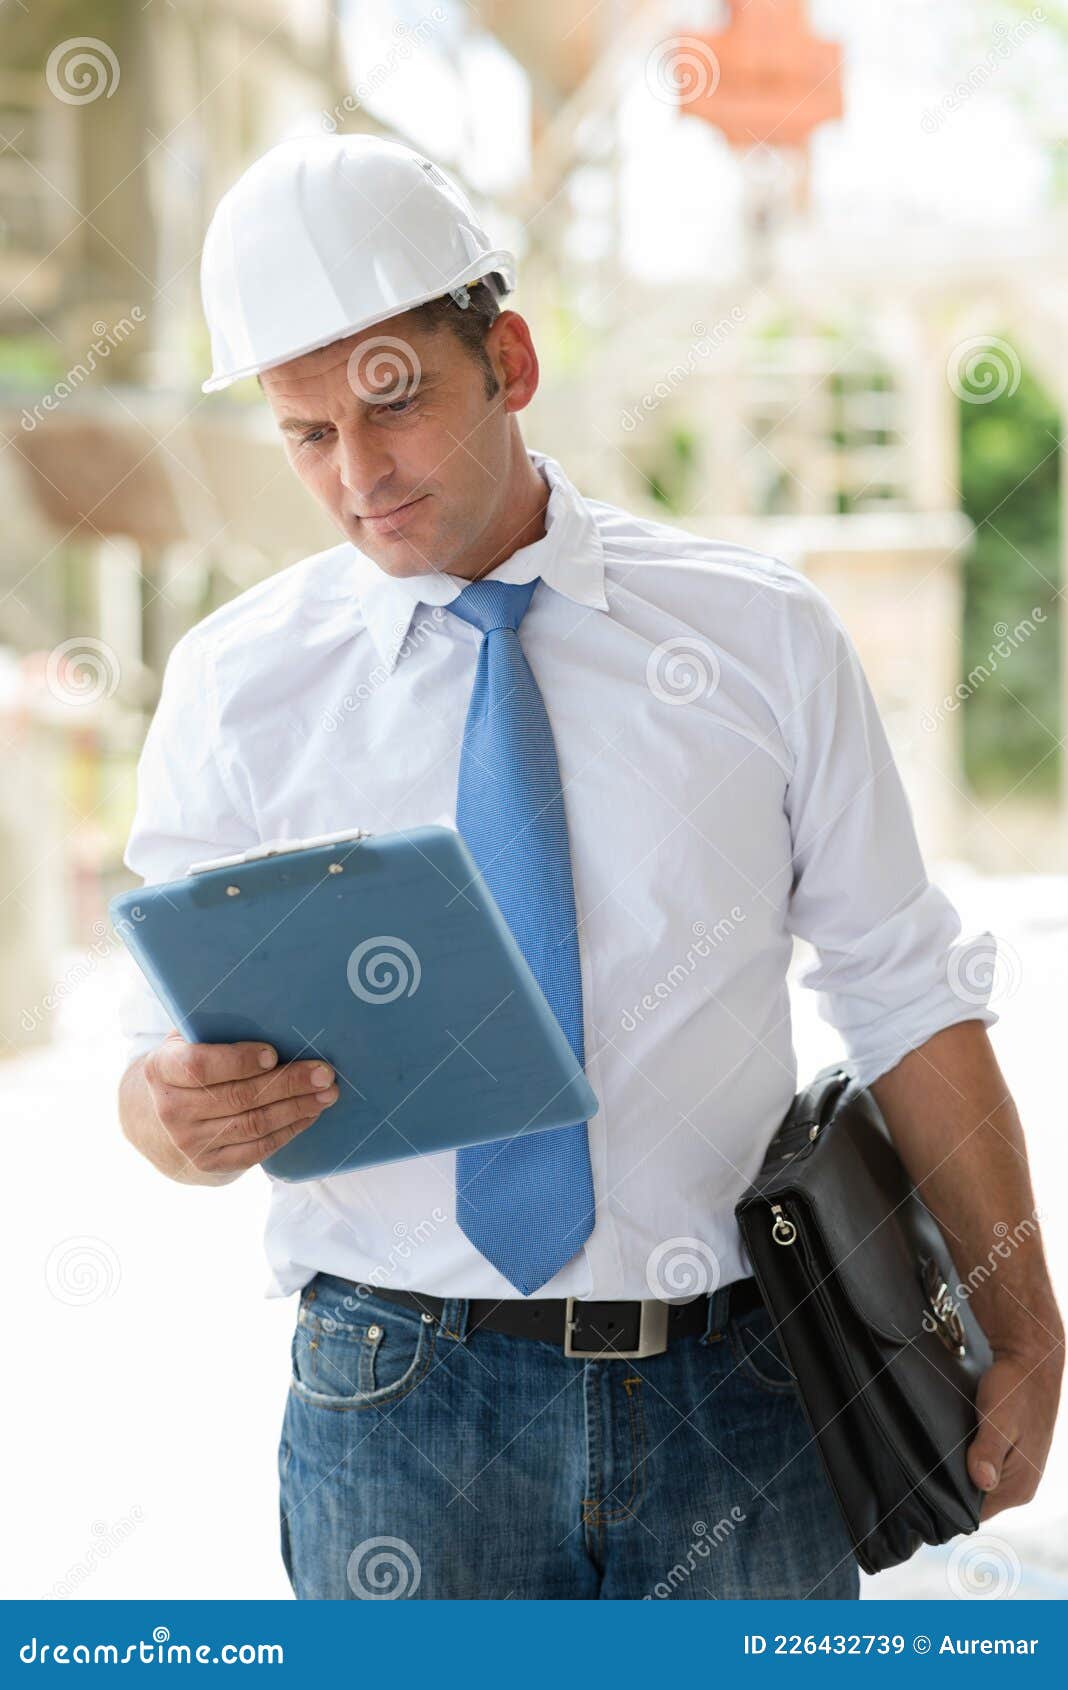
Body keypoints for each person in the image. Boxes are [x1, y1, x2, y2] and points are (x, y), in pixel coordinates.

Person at [117, 134, 1063, 1601]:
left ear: (507, 355)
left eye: (392, 400)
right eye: (307, 434)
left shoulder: (762, 641)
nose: (359, 476)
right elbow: (154, 1065)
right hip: (395, 1403)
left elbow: (904, 985)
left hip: (745, 1390)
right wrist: (174, 1113)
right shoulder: (237, 689)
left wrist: (1028, 1323)